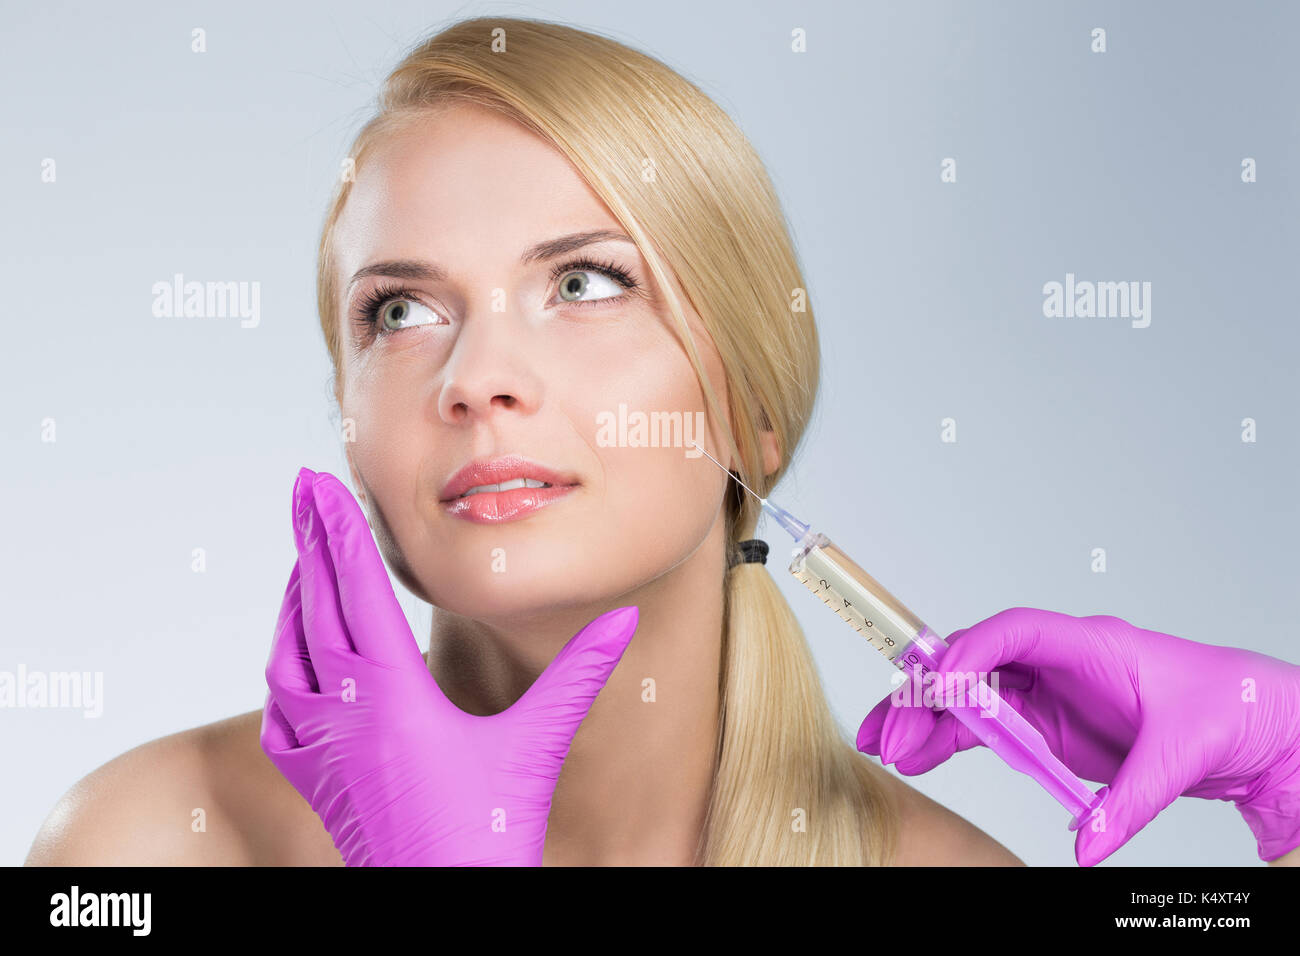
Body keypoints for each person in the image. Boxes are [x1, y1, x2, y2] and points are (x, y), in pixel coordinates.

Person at [25, 16, 1298, 867]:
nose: (476, 379)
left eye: (585, 282)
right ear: (346, 421)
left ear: (752, 400)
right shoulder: (140, 847)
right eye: (399, 311)